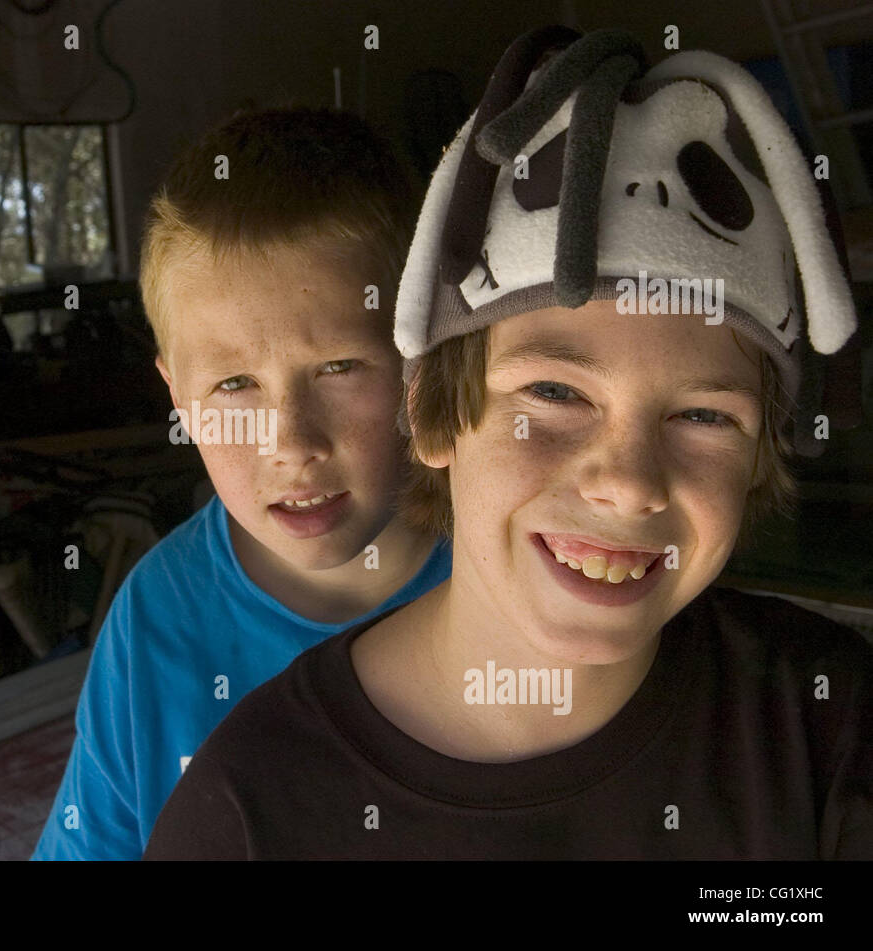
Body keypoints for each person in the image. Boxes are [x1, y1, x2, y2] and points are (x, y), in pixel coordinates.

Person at [144, 27, 872, 859]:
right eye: (555, 393)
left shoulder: (829, 727)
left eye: (704, 416)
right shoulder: (246, 813)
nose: (628, 483)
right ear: (429, 412)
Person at [32, 106, 454, 860]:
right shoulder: (154, 622)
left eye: (338, 368)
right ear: (177, 399)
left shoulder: (512, 578)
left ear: (424, 359)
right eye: (234, 385)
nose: (290, 441)